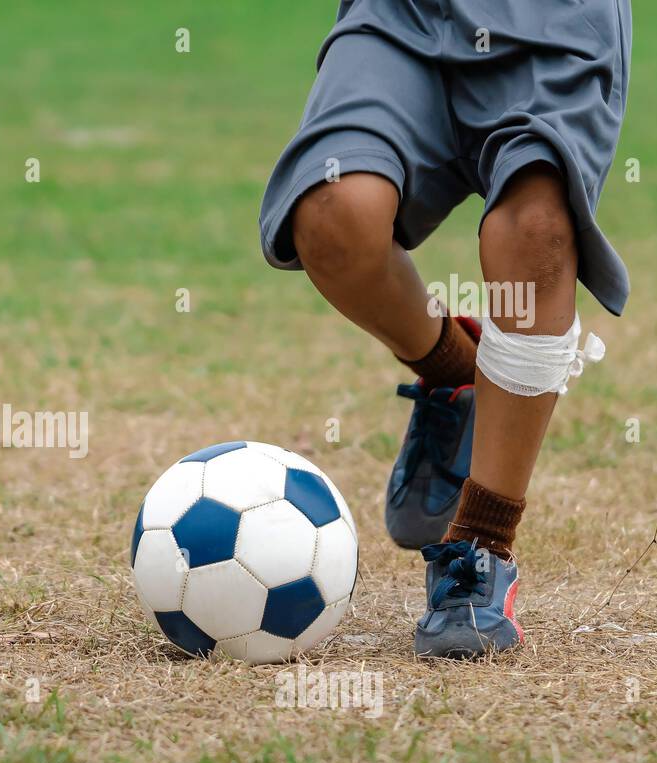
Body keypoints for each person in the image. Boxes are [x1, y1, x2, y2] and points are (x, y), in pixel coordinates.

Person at [258, 0, 630, 657]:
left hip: (558, 18)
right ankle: (457, 374)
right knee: (332, 210)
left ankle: (480, 545)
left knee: (536, 229)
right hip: (402, 12)